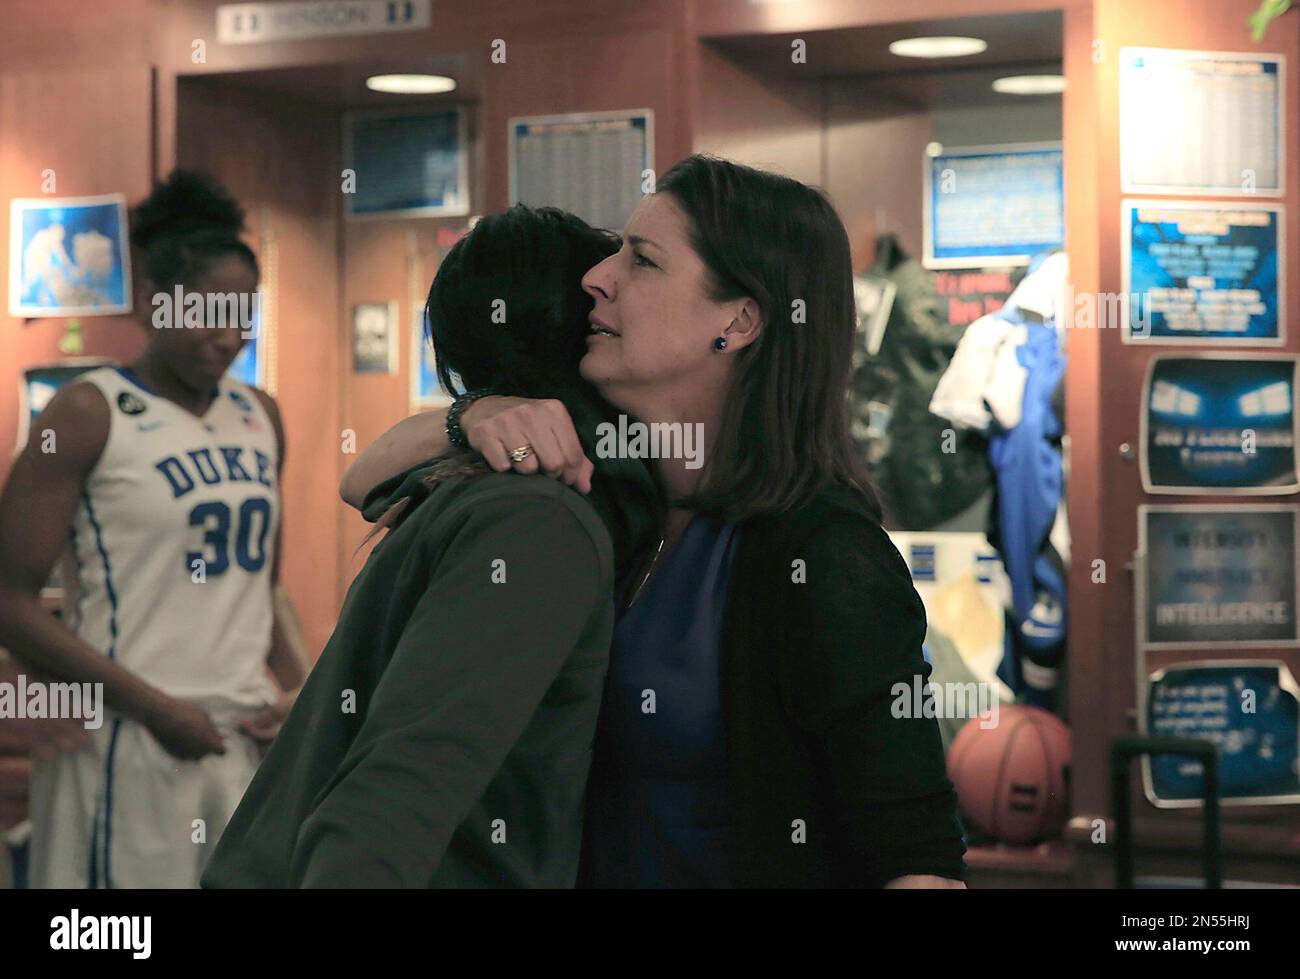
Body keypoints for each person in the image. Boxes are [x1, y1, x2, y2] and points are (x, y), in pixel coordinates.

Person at [340, 154, 969, 888]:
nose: (596, 277)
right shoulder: (602, 489)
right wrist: (472, 412)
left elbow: (920, 862)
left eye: (641, 260)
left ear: (737, 319)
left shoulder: (824, 553)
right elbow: (363, 478)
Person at [201, 205, 660, 888]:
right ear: (575, 322)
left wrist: (470, 412)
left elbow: (361, 478)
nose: (613, 287)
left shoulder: (491, 488)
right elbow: (394, 795)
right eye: (610, 273)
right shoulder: (535, 520)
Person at [0, 170, 308, 888]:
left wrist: (303, 691)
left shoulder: (260, 413)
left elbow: (263, 586)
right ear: (152, 301)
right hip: (126, 738)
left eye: (244, 314)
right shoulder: (86, 412)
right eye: (208, 312)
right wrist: (157, 707)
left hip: (236, 736)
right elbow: (9, 598)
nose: (229, 336)